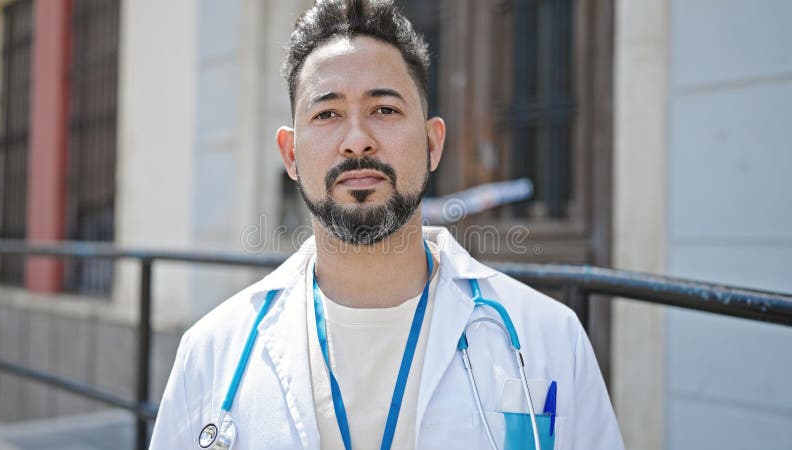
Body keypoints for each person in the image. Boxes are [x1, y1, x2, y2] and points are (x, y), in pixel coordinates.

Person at [150, 1, 624, 449]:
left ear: (433, 144)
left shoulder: (550, 337)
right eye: (328, 113)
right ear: (291, 154)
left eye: (385, 110)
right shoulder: (210, 354)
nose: (357, 141)